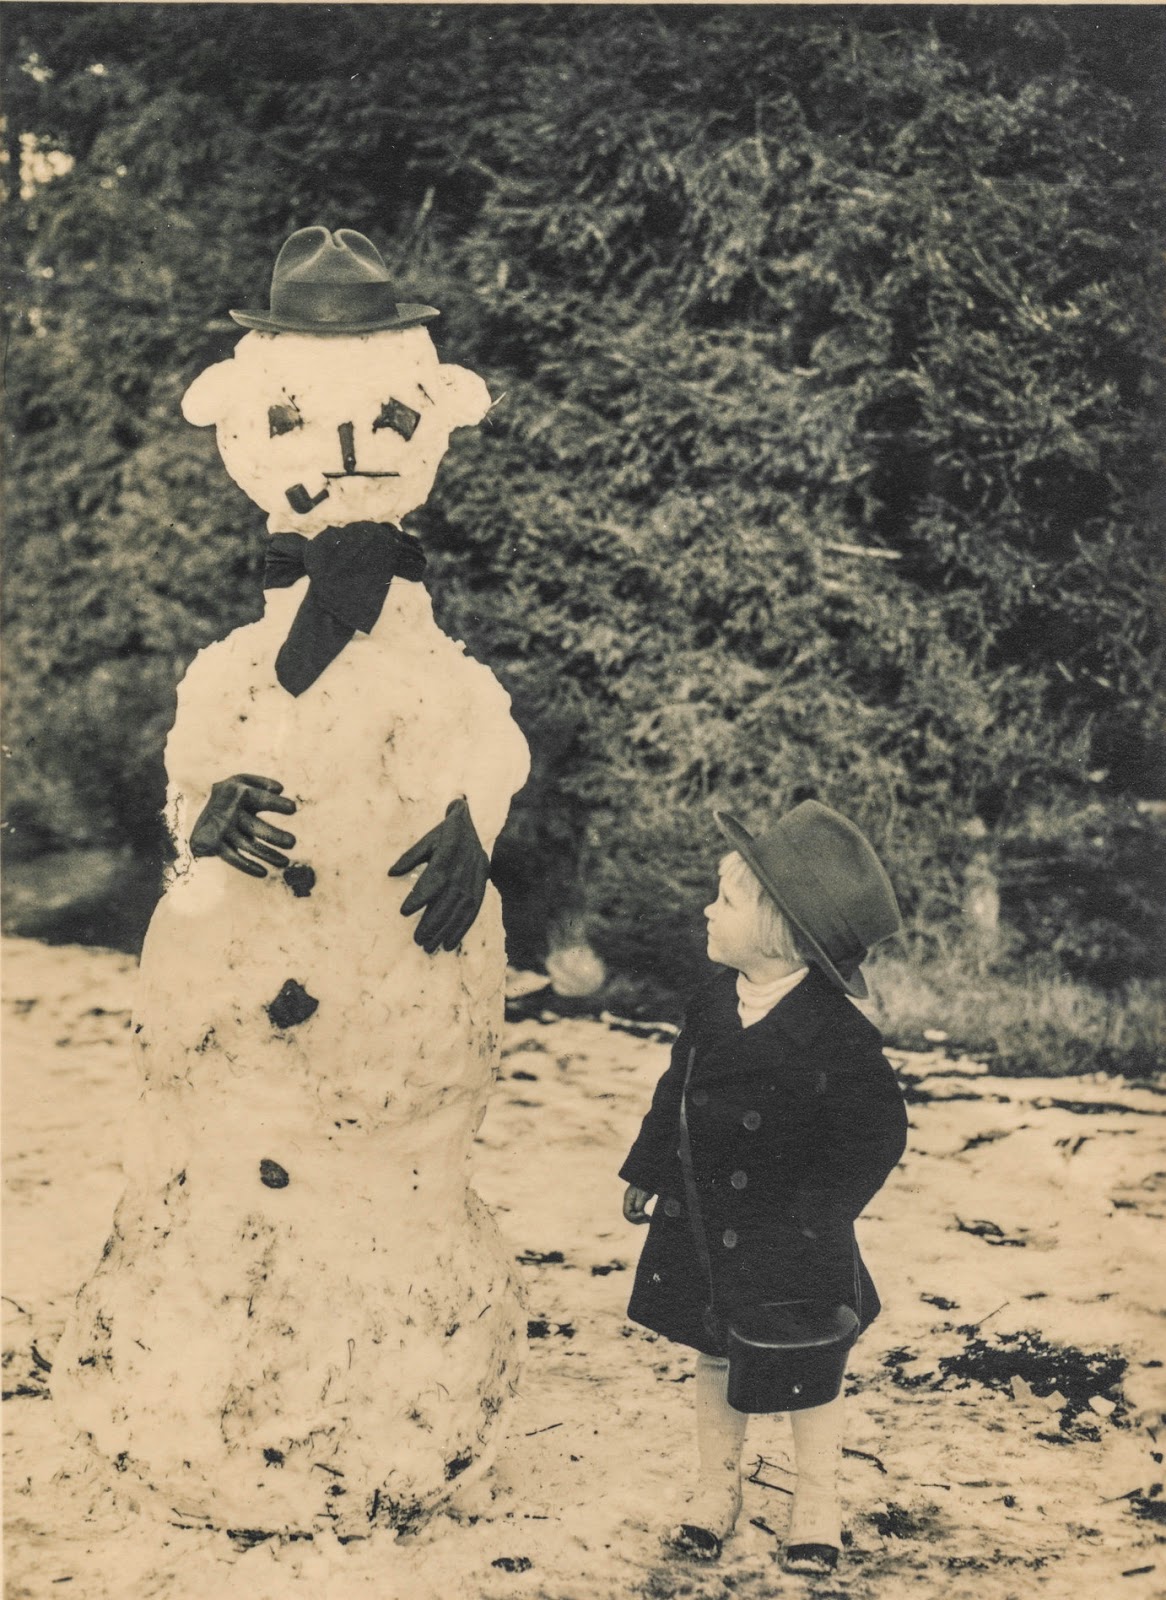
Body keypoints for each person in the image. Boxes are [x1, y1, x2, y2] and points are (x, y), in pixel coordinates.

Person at [619, 800, 908, 1575]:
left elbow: (877, 1135)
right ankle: (716, 1492)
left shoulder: (839, 1034)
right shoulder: (711, 1004)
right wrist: (648, 1168)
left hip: (794, 1236)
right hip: (707, 1219)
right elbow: (675, 1088)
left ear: (780, 929)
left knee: (810, 1364)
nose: (707, 911)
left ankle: (815, 1501)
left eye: (727, 900)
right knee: (715, 1354)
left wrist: (819, 1211)